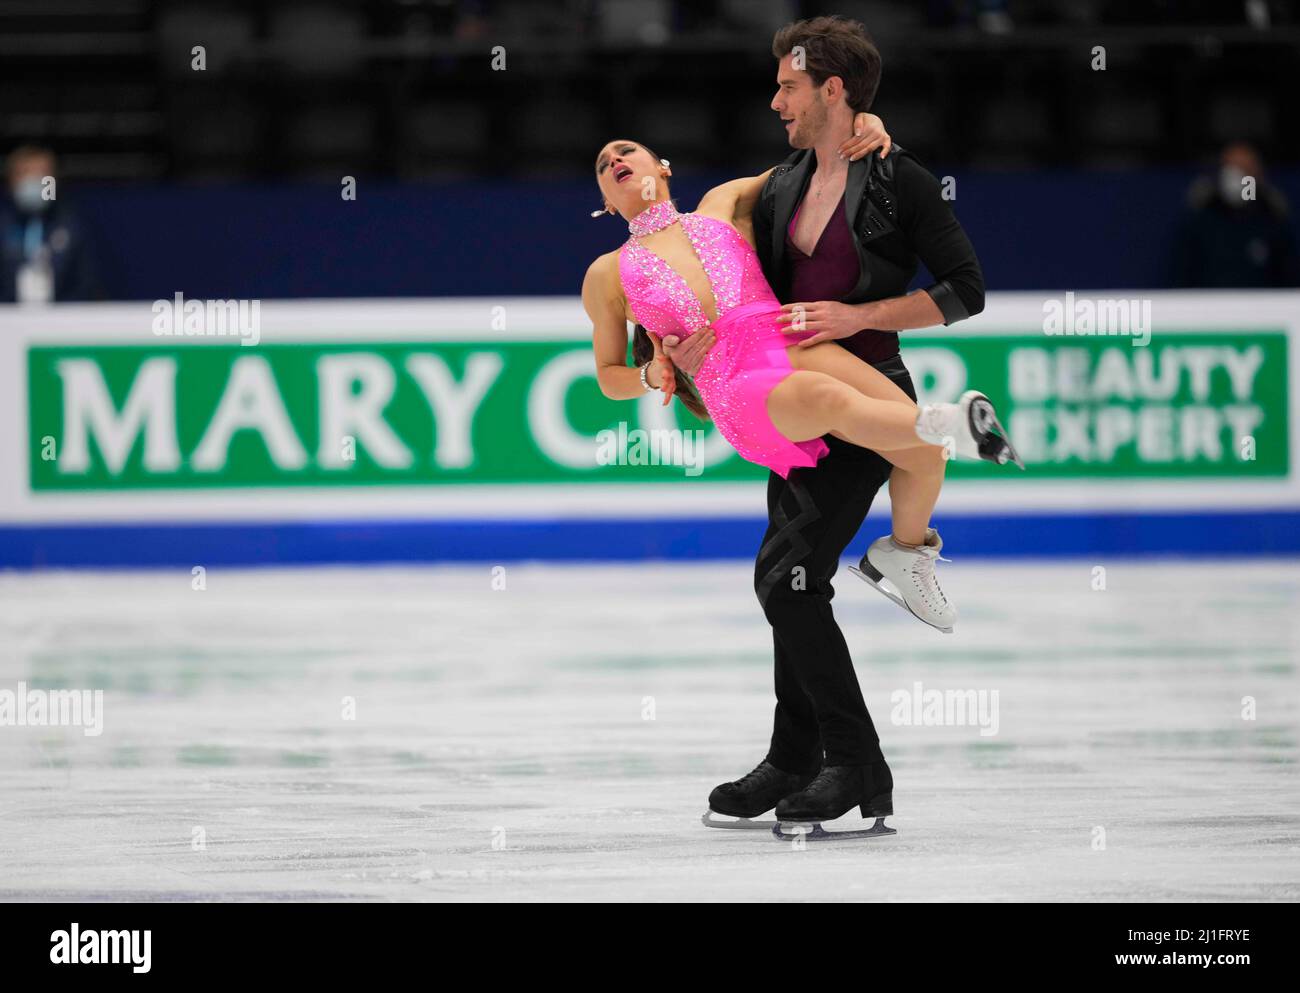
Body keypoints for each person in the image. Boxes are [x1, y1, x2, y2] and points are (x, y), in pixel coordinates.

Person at [659, 16, 995, 830]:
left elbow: (965, 290)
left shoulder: (899, 181)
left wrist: (858, 315)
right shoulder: (777, 186)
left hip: (868, 394)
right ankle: (799, 757)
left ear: (832, 89)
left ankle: (849, 763)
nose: (775, 100)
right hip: (792, 405)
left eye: (788, 86)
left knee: (787, 579)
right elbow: (726, 239)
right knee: (791, 583)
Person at [1172, 141, 1299, 288]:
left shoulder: (1273, 224)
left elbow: (1290, 283)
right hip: (1209, 308)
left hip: (1261, 308)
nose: (1235, 175)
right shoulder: (1199, 223)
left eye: (1243, 169)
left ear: (1258, 175)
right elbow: (1180, 279)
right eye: (1230, 167)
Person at [1, 145, 103, 303]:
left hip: (62, 321)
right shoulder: (3, 226)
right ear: (11, 180)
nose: (34, 181)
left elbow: (88, 286)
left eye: (42, 174)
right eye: (26, 173)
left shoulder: (71, 225)